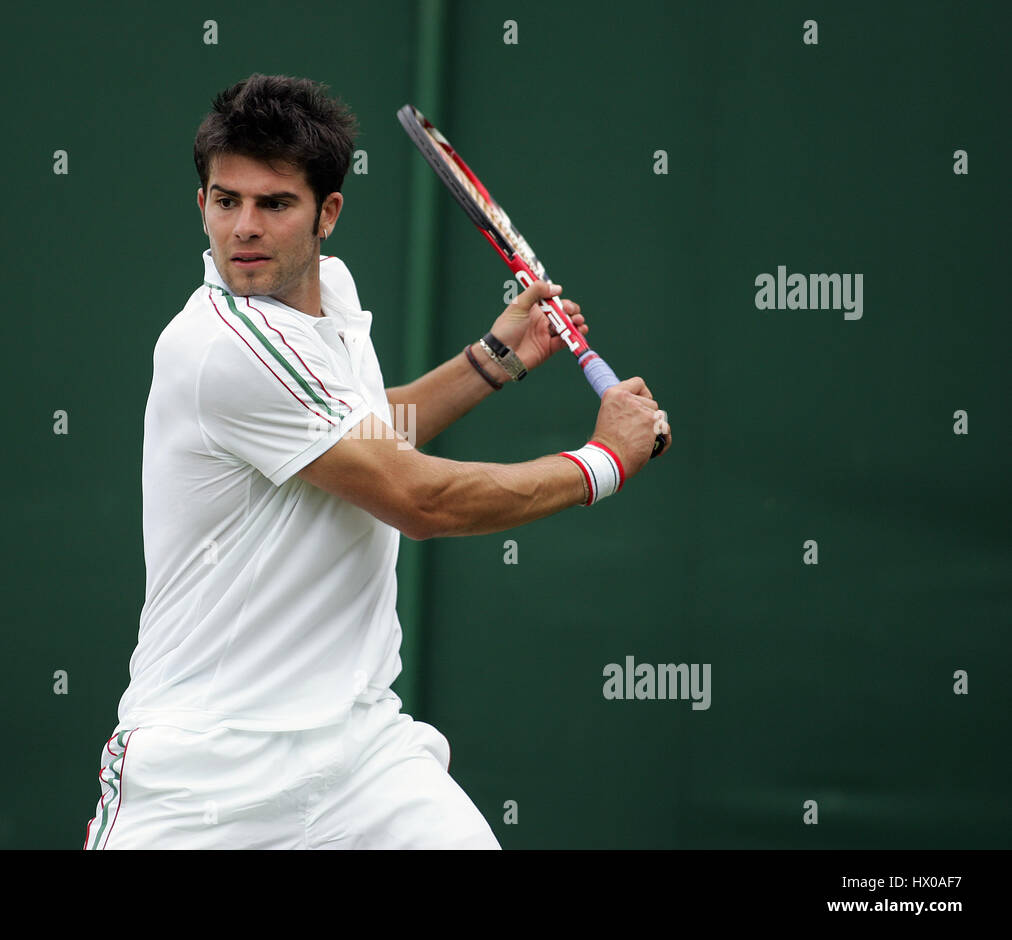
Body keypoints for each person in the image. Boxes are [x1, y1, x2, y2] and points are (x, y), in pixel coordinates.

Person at [83, 73, 671, 850]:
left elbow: (360, 435)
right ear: (202, 206)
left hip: (358, 754)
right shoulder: (216, 348)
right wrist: (603, 462)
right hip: (207, 774)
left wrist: (495, 358)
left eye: (275, 203)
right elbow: (415, 498)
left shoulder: (333, 295)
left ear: (328, 212)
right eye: (226, 201)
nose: (244, 228)